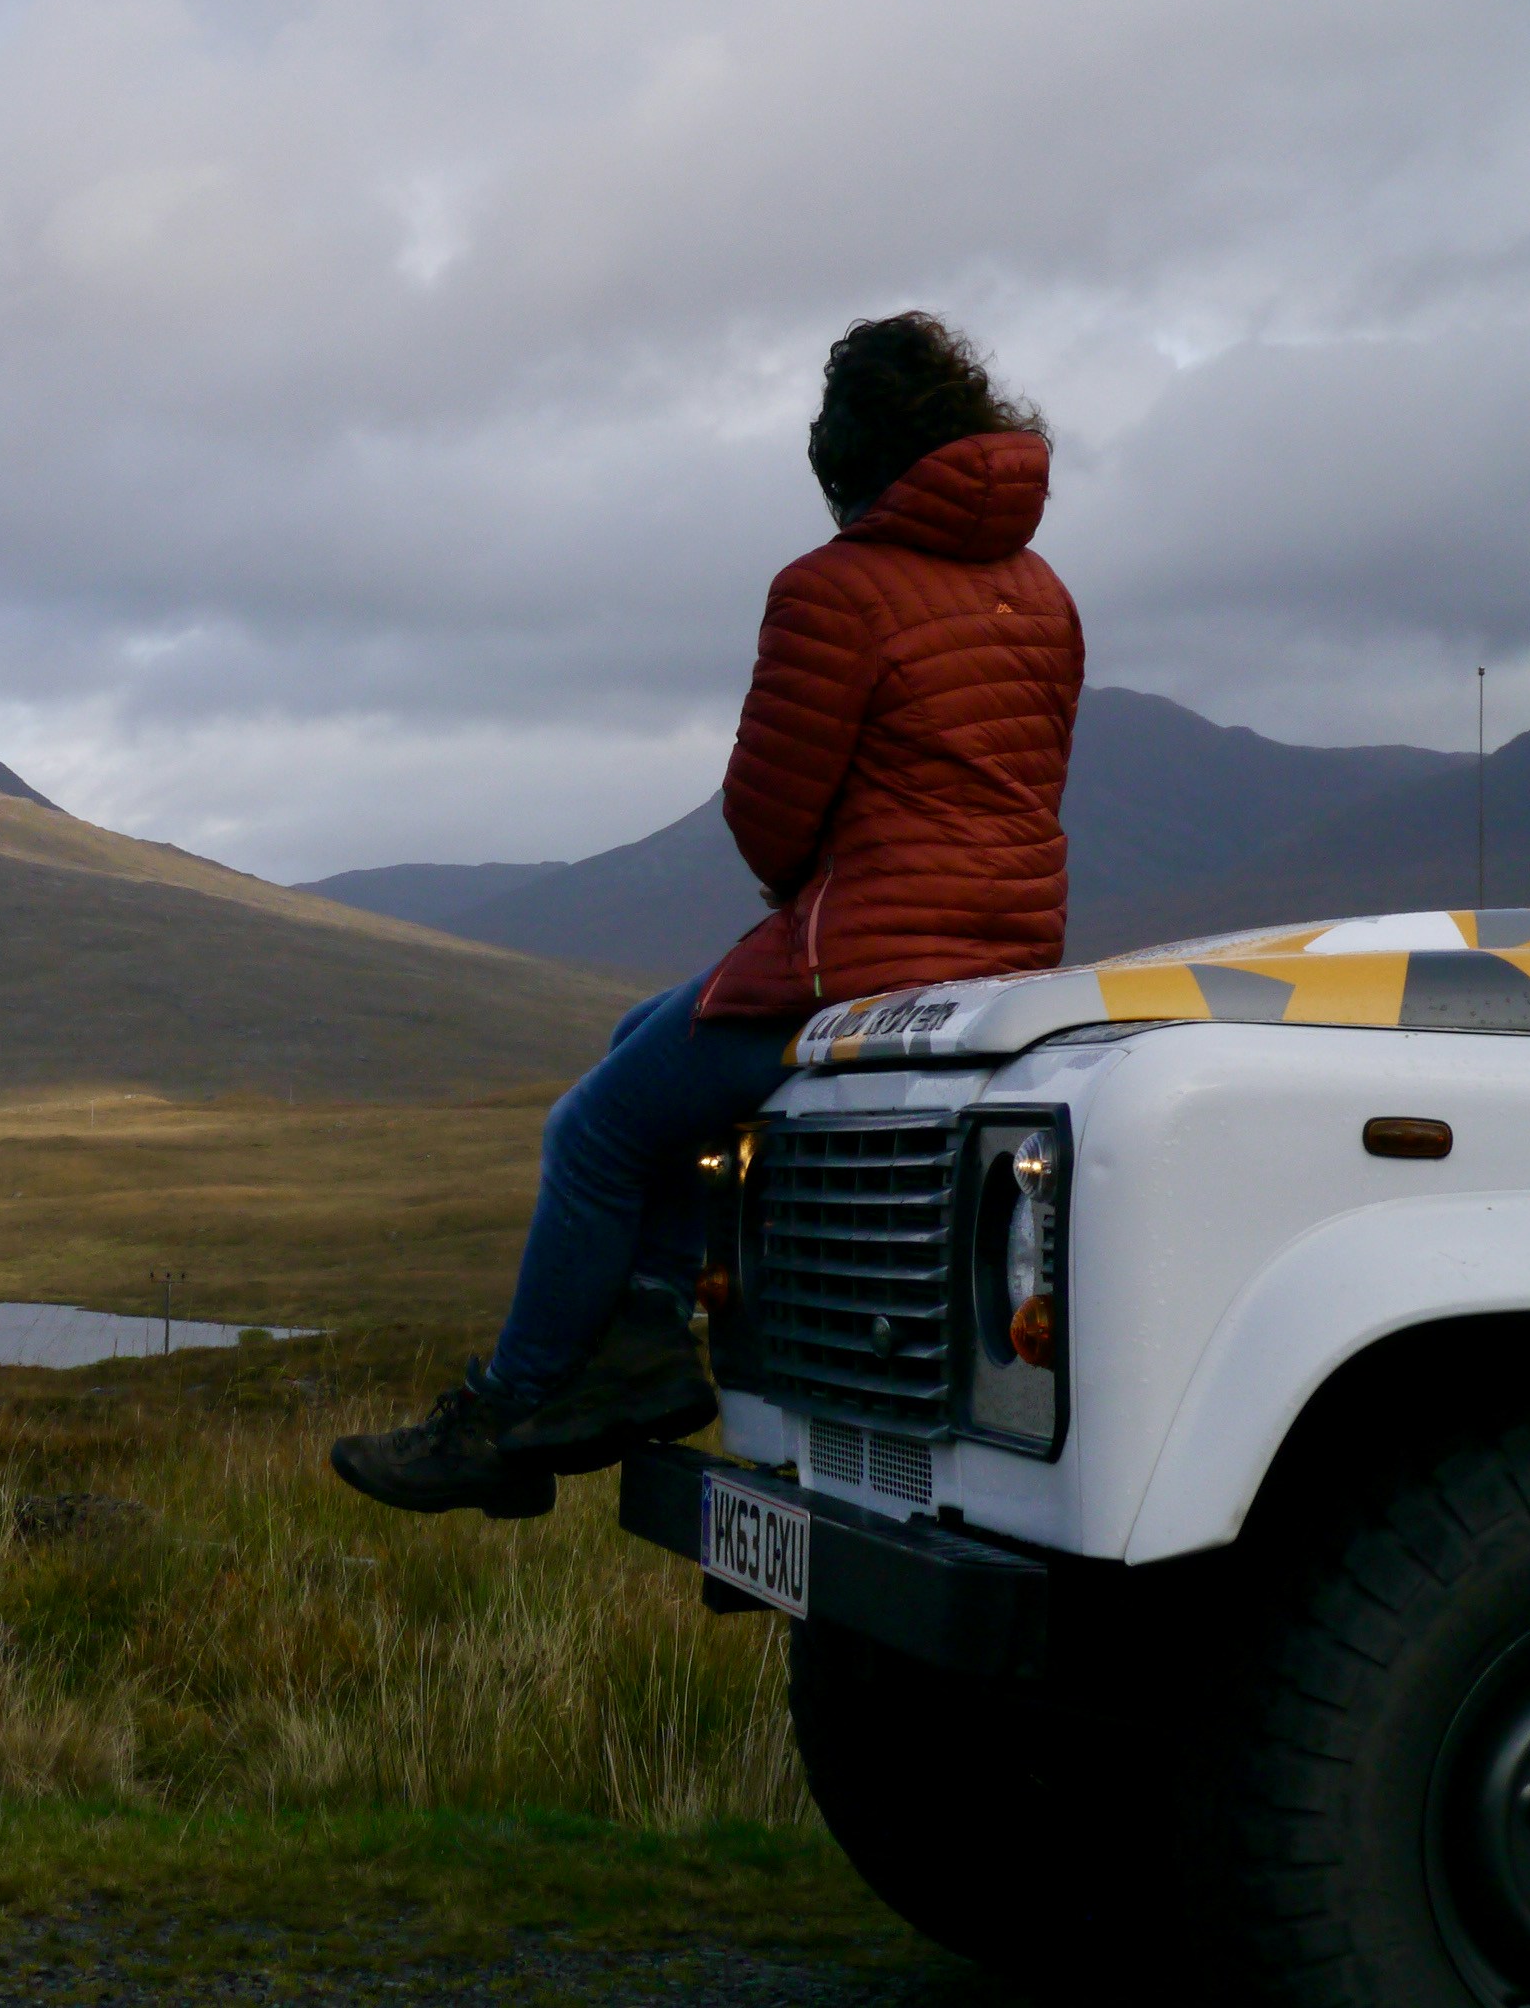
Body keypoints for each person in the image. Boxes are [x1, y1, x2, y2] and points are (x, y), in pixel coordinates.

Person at [331, 312, 1084, 1517]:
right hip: (1000, 952)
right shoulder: (1039, 590)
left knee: (590, 1132)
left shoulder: (832, 590)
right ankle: (631, 1346)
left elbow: (771, 825)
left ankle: (510, 1407)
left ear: (848, 462)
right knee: (647, 1037)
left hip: (867, 958)